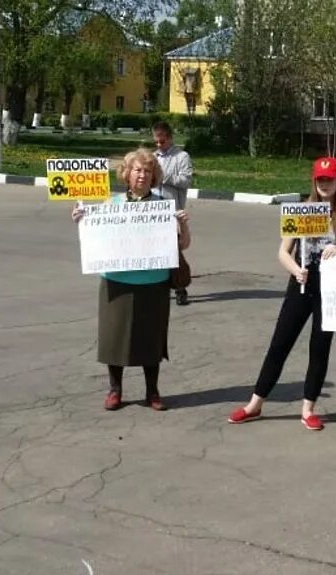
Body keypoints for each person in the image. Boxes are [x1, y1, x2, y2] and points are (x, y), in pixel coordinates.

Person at [227, 157, 336, 431]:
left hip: (331, 291)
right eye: (320, 179)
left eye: (330, 179)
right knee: (279, 345)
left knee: (319, 349)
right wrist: (296, 270)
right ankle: (255, 404)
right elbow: (283, 252)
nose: (325, 184)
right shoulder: (301, 211)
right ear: (314, 181)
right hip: (301, 286)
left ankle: (308, 408)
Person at [72, 148, 191, 412]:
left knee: (151, 338)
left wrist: (183, 224)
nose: (142, 175)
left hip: (153, 282)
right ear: (127, 174)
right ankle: (115, 390)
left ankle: (153, 392)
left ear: (154, 176)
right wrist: (81, 220)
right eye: (137, 170)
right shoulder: (111, 205)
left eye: (148, 171)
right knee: (114, 336)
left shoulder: (162, 206)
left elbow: (182, 244)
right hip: (117, 282)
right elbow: (94, 238)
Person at [152, 121, 194, 306]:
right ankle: (157, 287)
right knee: (153, 250)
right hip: (153, 209)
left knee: (173, 251)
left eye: (162, 141)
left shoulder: (181, 156)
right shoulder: (153, 157)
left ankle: (180, 288)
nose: (159, 145)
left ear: (169, 138)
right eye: (156, 142)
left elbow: (185, 180)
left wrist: (164, 177)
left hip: (172, 210)